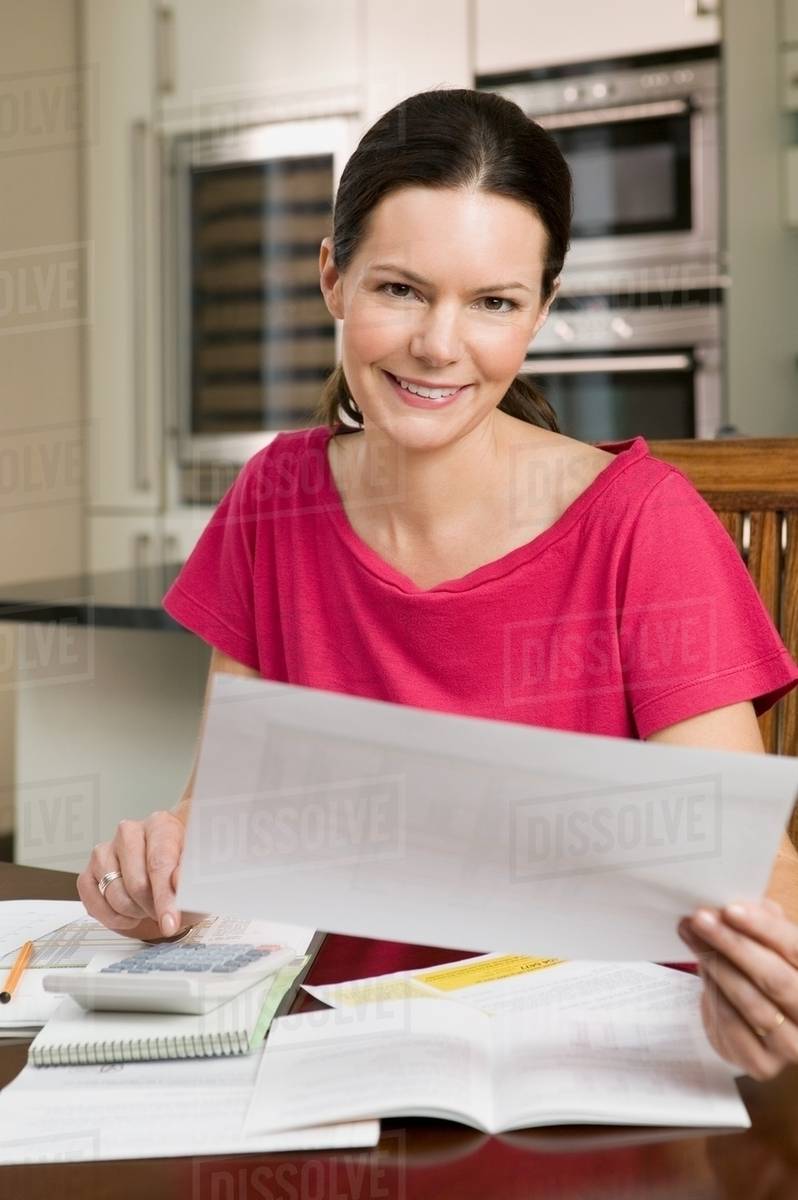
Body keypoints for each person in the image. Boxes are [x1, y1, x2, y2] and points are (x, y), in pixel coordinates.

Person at [78, 87, 798, 1080]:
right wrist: (157, 875)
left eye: (494, 303)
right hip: (327, 1063)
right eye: (401, 290)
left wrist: (764, 981)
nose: (439, 346)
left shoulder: (644, 525)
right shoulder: (273, 500)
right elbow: (224, 831)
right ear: (333, 278)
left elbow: (758, 877)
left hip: (595, 1076)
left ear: (541, 313)